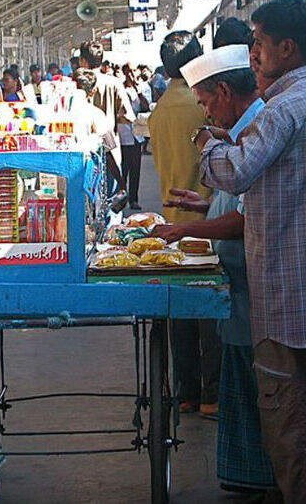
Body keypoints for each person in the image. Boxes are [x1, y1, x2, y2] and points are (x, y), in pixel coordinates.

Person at [194, 0, 306, 502]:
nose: (252, 53)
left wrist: (209, 140)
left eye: (258, 42)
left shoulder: (286, 106)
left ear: (286, 49)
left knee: (291, 420)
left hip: (286, 287)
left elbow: (232, 171)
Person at [151, 43, 275, 494]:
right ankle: (246, 475)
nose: (205, 114)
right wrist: (203, 205)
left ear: (224, 91)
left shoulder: (255, 130)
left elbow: (247, 218)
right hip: (240, 285)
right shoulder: (241, 127)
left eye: (205, 102)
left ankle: (259, 477)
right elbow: (240, 199)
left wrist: (184, 232)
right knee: (240, 378)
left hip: (254, 286)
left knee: (250, 383)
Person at [148, 31, 218, 416]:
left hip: (171, 217)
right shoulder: (202, 103)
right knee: (208, 312)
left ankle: (186, 392)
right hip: (206, 218)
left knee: (181, 317)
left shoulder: (160, 109)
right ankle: (212, 396)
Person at [75, 40, 134, 204]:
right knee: (111, 204)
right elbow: (128, 116)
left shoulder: (74, 84)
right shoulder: (114, 83)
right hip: (110, 151)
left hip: (82, 155)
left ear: (83, 61)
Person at [119, 64, 148, 209]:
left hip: (137, 136)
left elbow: (145, 106)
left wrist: (138, 91)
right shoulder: (120, 88)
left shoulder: (138, 90)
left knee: (135, 170)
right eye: (128, 72)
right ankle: (122, 198)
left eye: (133, 72)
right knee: (123, 171)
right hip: (123, 136)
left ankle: (133, 199)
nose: (131, 75)